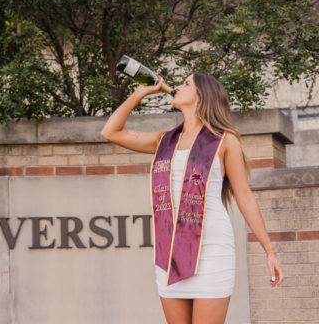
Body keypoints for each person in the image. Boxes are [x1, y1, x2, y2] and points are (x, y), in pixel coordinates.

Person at [100, 72, 283, 324]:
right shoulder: (164, 140)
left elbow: (245, 197)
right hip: (171, 252)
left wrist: (269, 250)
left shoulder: (224, 141)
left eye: (186, 84)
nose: (177, 86)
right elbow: (110, 132)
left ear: (201, 97)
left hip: (212, 250)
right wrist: (140, 93)